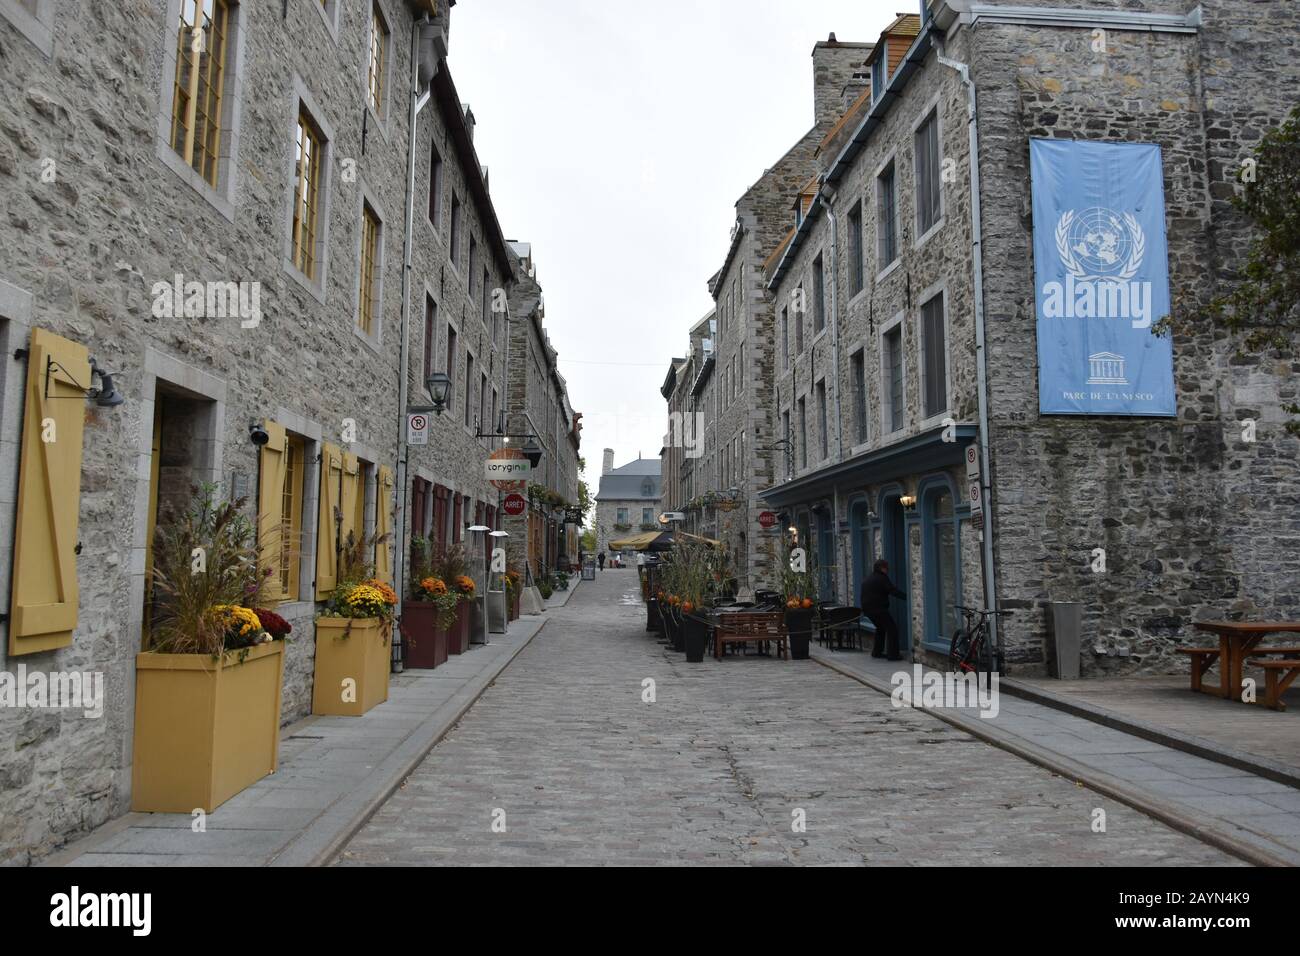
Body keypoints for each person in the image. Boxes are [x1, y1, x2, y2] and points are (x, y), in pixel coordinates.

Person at [860, 559, 905, 661]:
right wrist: (907, 597)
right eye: (886, 567)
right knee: (892, 629)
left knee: (880, 628)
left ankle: (877, 652)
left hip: (868, 610)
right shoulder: (882, 578)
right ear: (882, 568)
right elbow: (892, 590)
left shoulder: (868, 578)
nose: (888, 570)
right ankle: (893, 655)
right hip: (878, 609)